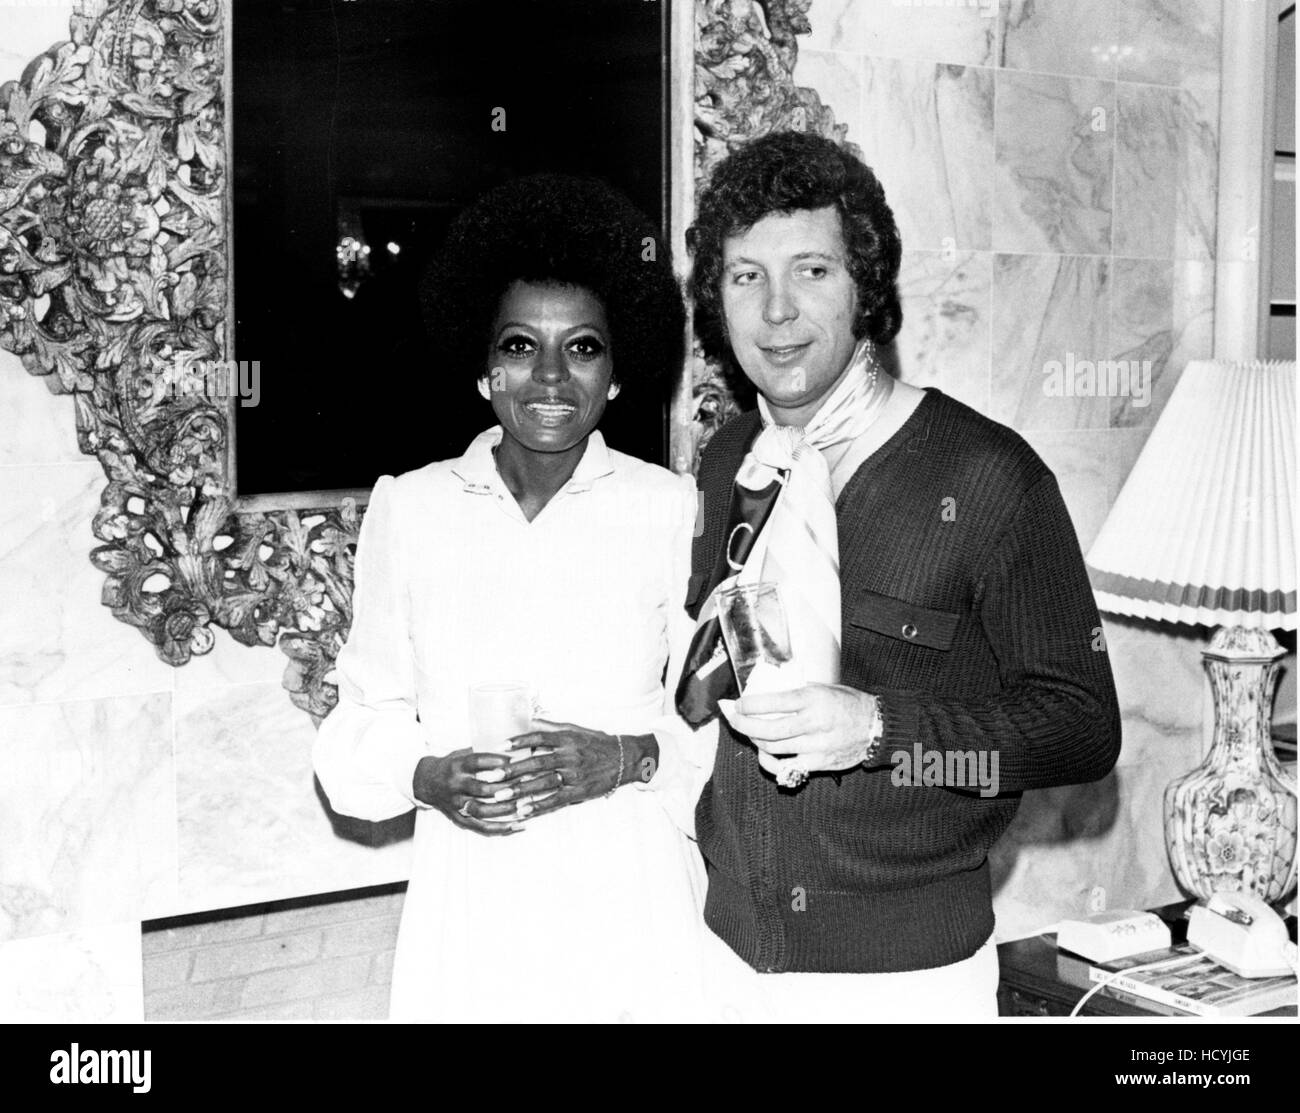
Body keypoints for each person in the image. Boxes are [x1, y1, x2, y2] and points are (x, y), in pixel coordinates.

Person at [677, 131, 1122, 1021]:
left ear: (866, 286)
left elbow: (1082, 731)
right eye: (746, 276)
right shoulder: (730, 462)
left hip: (908, 982)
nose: (776, 312)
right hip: (724, 962)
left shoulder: (989, 476)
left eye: (811, 270)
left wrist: (881, 730)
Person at [313, 174, 710, 1022]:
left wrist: (626, 756)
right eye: (521, 346)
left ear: (618, 373)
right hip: (475, 909)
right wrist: (426, 775)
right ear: (483, 367)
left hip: (631, 907)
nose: (551, 376)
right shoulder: (412, 508)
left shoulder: (670, 510)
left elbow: (714, 735)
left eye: (584, 347)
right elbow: (357, 724)